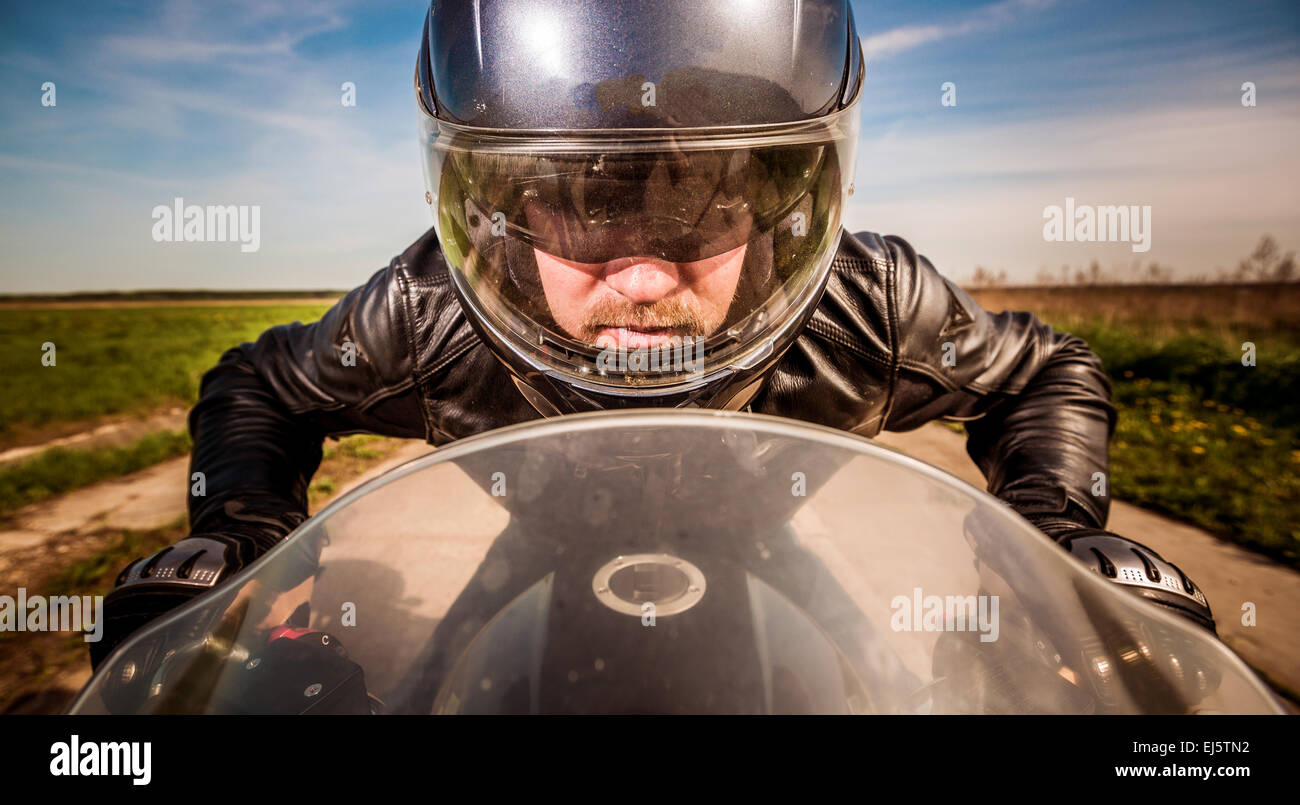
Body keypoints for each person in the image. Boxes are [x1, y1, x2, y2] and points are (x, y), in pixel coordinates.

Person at [89, 0, 1214, 672]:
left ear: (785, 206)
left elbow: (1045, 373)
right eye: (576, 207)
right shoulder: (432, 309)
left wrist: (1055, 548)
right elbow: (261, 387)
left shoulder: (866, 298)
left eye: (703, 206)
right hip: (529, 566)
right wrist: (242, 543)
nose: (637, 274)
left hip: (773, 561)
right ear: (498, 212)